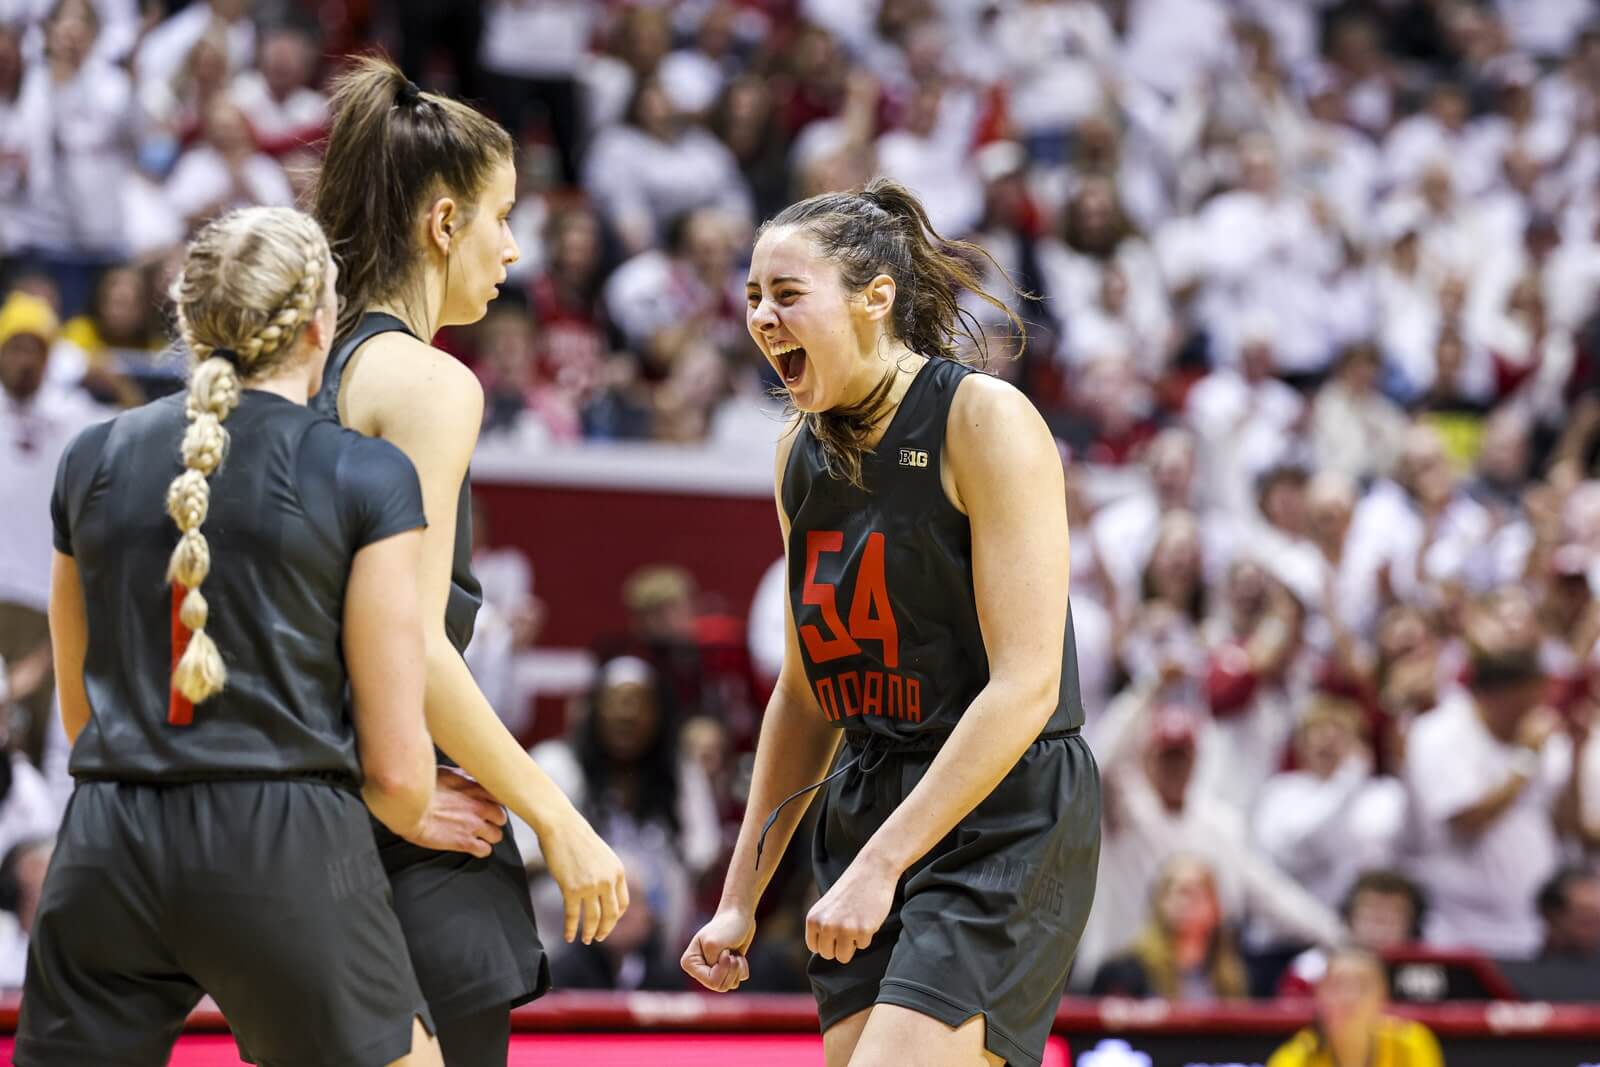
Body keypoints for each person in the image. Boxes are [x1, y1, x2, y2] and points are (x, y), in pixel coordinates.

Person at [14, 206, 468, 1067]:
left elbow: (81, 717)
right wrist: (414, 808)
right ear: (320, 324)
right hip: (286, 843)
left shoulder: (89, 457)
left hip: (107, 838)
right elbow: (396, 768)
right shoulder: (366, 472)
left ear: (189, 321)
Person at [681, 178, 1101, 1067]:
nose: (762, 317)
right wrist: (740, 897)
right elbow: (805, 698)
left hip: (1001, 805)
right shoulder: (798, 455)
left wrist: (882, 863)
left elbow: (1026, 685)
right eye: (753, 296)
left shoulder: (983, 417)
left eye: (787, 293)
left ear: (875, 298)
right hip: (869, 794)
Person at [311, 56, 628, 1064]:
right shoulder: (429, 383)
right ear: (444, 222)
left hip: (294, 824)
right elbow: (409, 644)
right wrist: (556, 817)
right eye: (503, 215)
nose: (514, 247)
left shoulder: (305, 362)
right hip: (393, 830)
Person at [1267, 946, 1444, 1067]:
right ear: (1319, 995)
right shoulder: (1296, 1059)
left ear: (1383, 995)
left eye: (1362, 985)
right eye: (1338, 985)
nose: (1349, 997)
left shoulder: (1412, 1042)